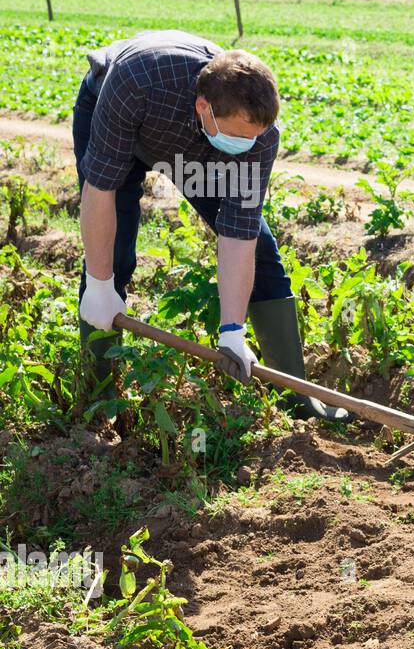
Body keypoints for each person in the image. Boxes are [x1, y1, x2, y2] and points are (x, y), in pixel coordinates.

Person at [73, 29, 347, 420]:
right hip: (120, 109)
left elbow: (239, 229)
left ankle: (296, 399)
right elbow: (100, 191)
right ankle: (98, 400)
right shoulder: (136, 81)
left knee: (265, 255)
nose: (247, 145)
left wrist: (232, 329)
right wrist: (100, 284)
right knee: (112, 258)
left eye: (253, 138)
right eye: (239, 136)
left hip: (197, 141)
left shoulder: (256, 137)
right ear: (204, 106)